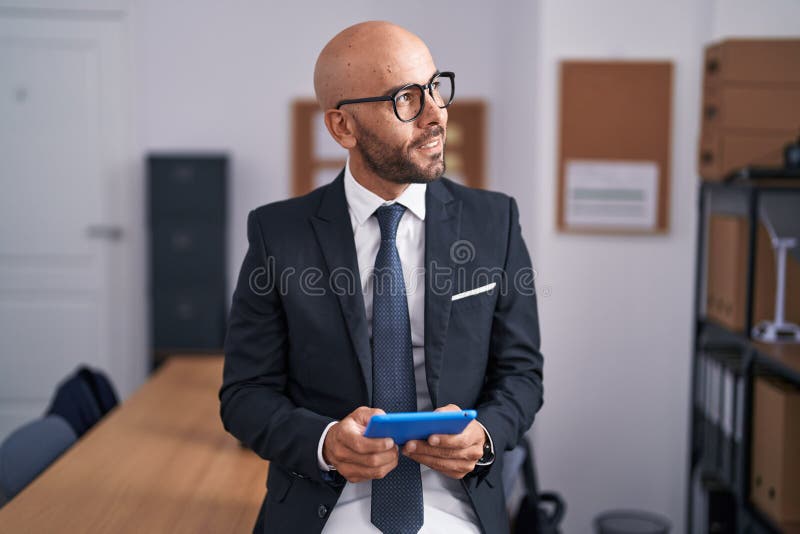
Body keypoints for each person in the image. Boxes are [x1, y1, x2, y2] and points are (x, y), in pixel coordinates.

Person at [220, 20, 544, 534]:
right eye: (406, 99)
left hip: (460, 505)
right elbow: (244, 395)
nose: (437, 114)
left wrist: (483, 435)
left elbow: (522, 375)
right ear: (342, 127)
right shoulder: (277, 234)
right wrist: (326, 442)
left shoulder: (494, 222)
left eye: (436, 88)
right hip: (324, 504)